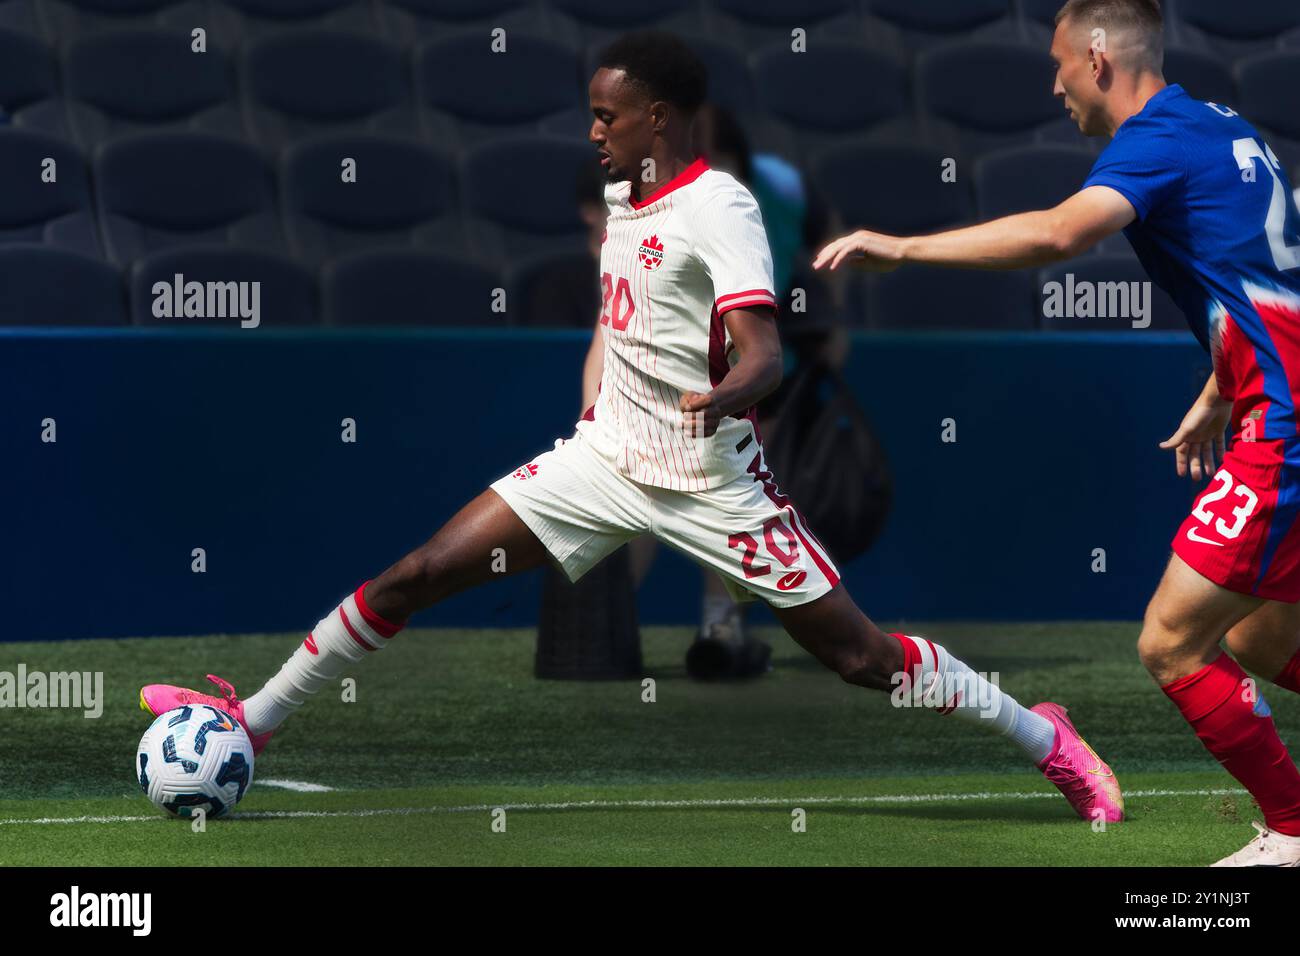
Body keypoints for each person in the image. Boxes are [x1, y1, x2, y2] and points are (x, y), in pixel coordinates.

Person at [140, 31, 1123, 826]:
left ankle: (1046, 738)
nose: (593, 130)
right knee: (416, 572)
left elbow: (765, 354)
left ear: (660, 115)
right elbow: (621, 323)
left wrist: (721, 393)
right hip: (604, 455)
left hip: (711, 479)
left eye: (607, 115)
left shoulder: (721, 206)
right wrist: (591, 404)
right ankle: (256, 719)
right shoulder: (621, 196)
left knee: (861, 659)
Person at [814, 0, 1300, 864]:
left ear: (1101, 57)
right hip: (1275, 400)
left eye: (1060, 63)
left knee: (1171, 641)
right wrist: (1223, 389)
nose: (1055, 84)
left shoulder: (1153, 141)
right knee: (1263, 637)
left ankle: (1294, 830)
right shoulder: (1227, 126)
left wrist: (902, 248)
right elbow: (1258, 273)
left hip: (1287, 426)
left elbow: (1057, 234)